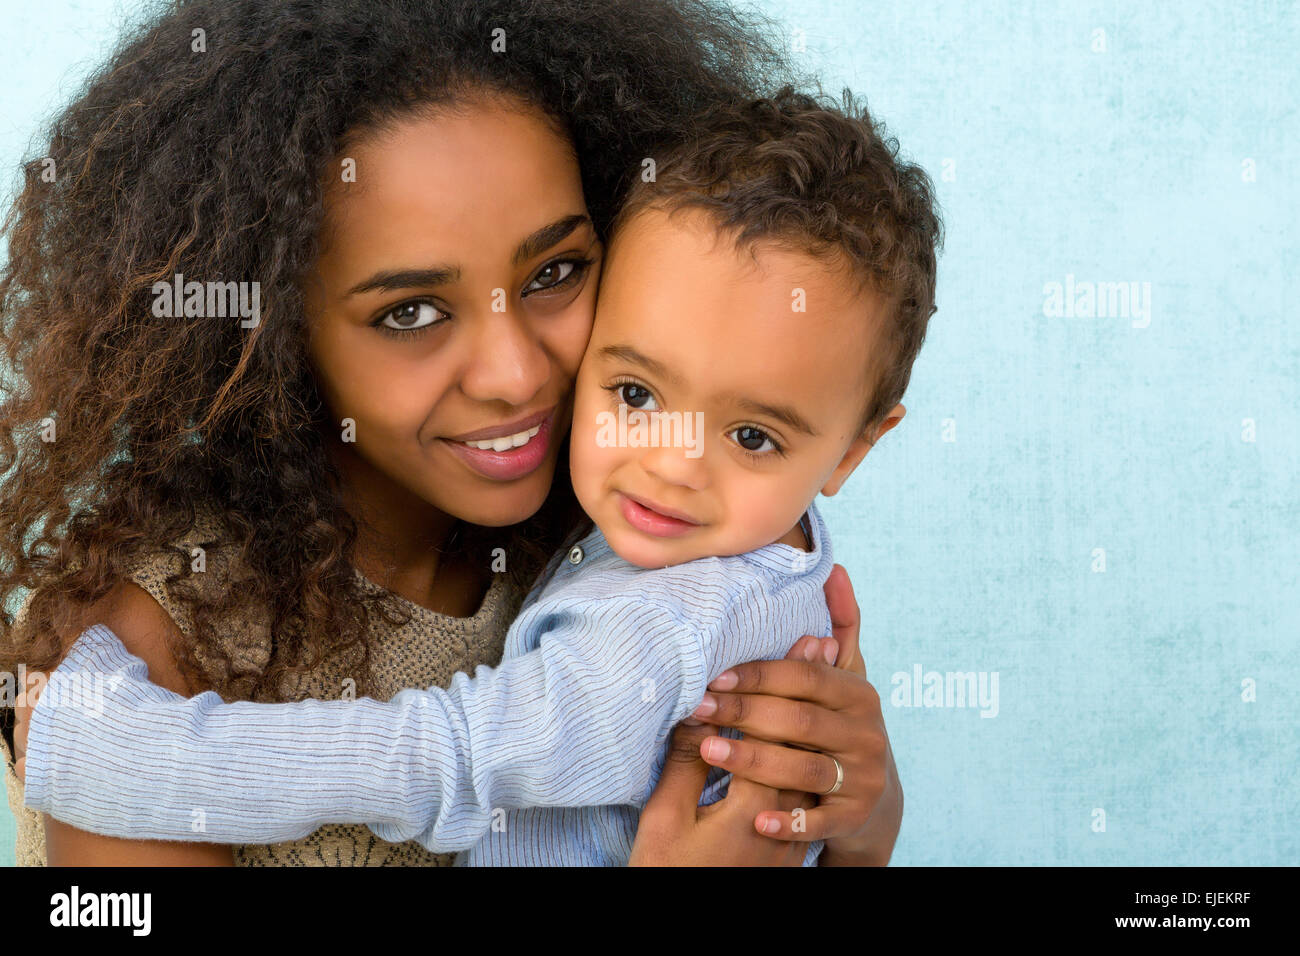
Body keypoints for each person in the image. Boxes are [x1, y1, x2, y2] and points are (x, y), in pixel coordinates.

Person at [0, 0, 902, 865]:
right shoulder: (157, 649)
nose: (514, 374)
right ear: (269, 332)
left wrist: (853, 826)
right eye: (412, 311)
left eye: (556, 271)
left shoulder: (628, 536)